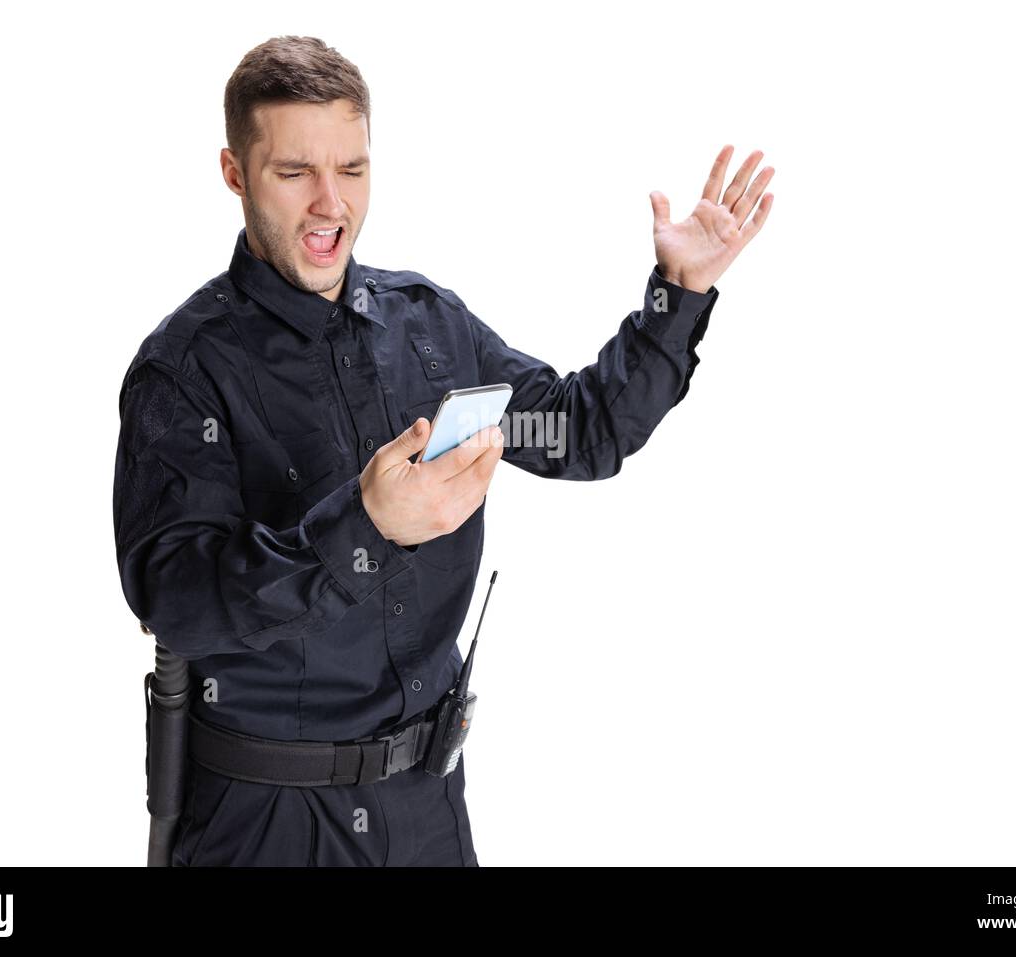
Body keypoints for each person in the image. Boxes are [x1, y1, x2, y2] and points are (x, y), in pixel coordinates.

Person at [112, 34, 774, 867]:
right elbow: (174, 600)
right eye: (294, 172)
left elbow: (578, 429)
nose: (330, 203)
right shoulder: (184, 371)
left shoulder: (427, 329)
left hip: (426, 811)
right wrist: (364, 525)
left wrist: (679, 297)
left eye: (351, 170)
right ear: (235, 173)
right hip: (267, 823)